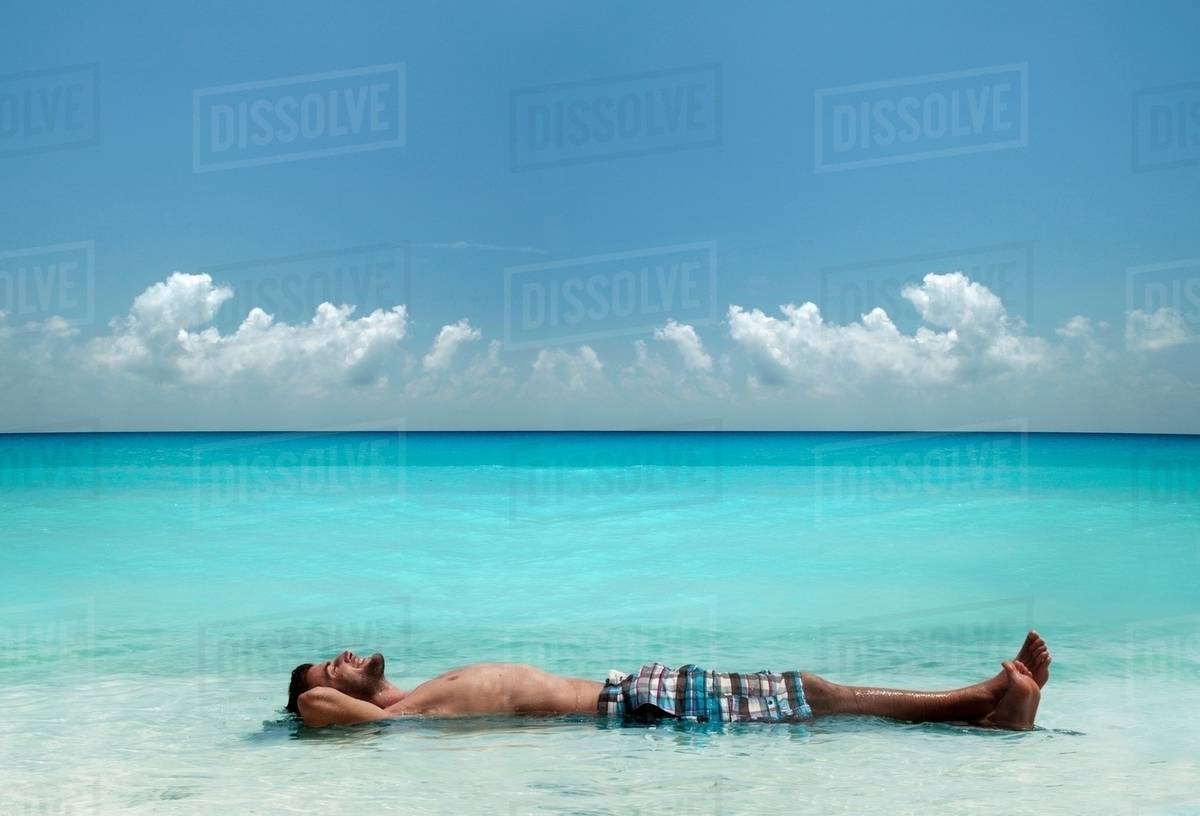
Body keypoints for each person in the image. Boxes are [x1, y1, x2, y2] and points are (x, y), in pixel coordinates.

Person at [286, 630, 1051, 731]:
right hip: (634, 708)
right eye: (332, 662)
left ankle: (982, 710)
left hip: (633, 690)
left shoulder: (418, 695)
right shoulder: (400, 720)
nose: (346, 655)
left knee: (808, 693)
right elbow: (313, 705)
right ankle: (980, 705)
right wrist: (306, 694)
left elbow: (321, 696)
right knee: (810, 695)